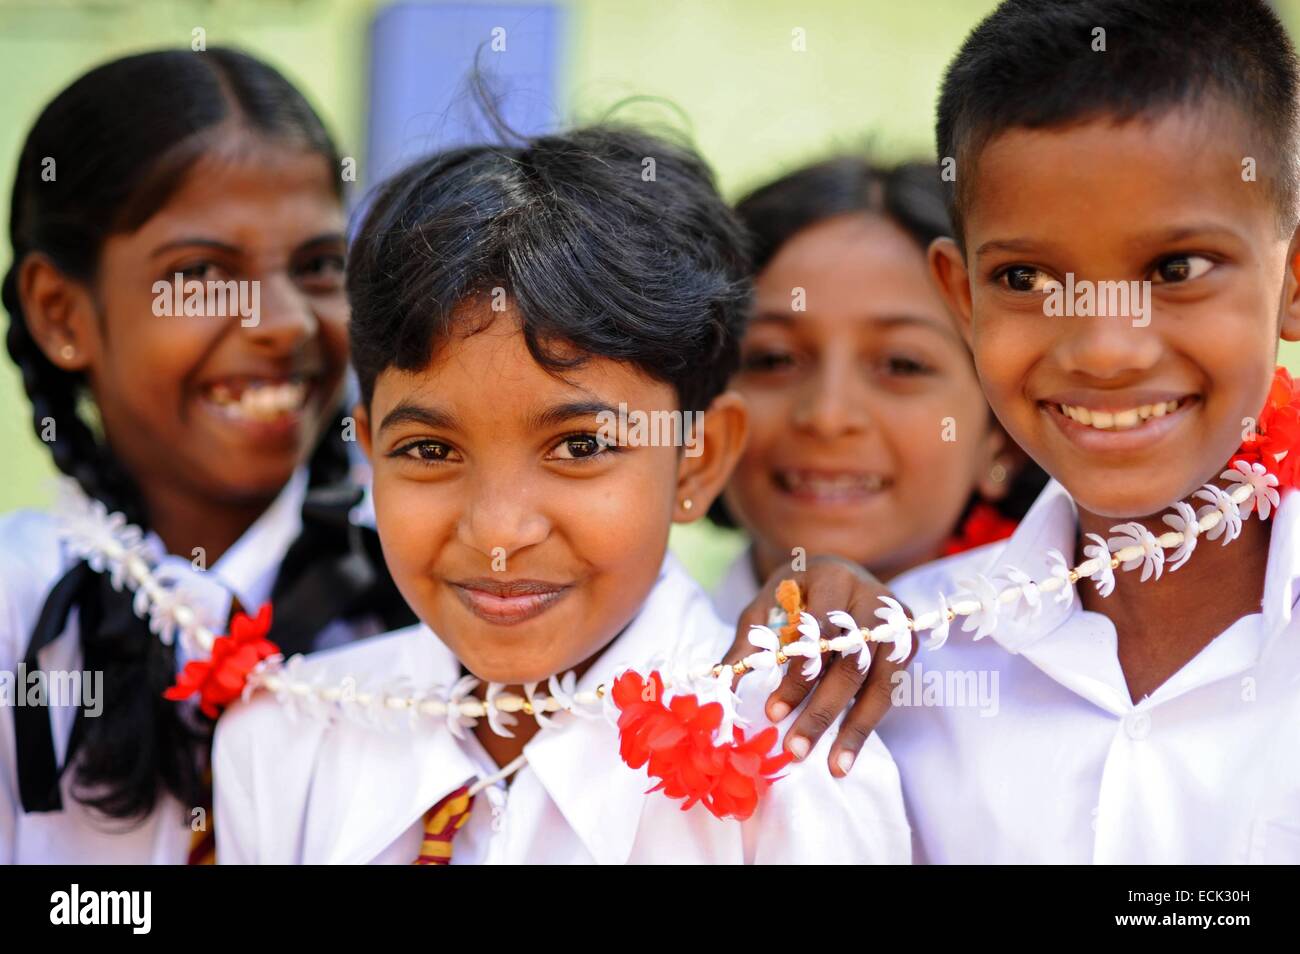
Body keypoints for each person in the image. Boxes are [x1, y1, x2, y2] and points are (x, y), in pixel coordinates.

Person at [213, 124, 912, 864]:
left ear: (698, 461)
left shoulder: (794, 783)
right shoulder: (286, 743)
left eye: (580, 447)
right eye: (429, 450)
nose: (498, 532)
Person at [730, 0, 1300, 863]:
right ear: (962, 299)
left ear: (1293, 279)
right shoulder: (885, 669)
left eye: (1175, 268)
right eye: (1027, 276)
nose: (1105, 348)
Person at [0, 48, 412, 864]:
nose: (285, 323)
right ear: (61, 314)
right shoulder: (16, 609)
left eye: (320, 267)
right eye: (200, 275)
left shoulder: (426, 586)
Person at [710, 156, 1043, 622]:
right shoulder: (618, 673)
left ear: (1003, 440)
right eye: (774, 360)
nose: (828, 416)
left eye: (901, 365)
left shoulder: (1081, 679)